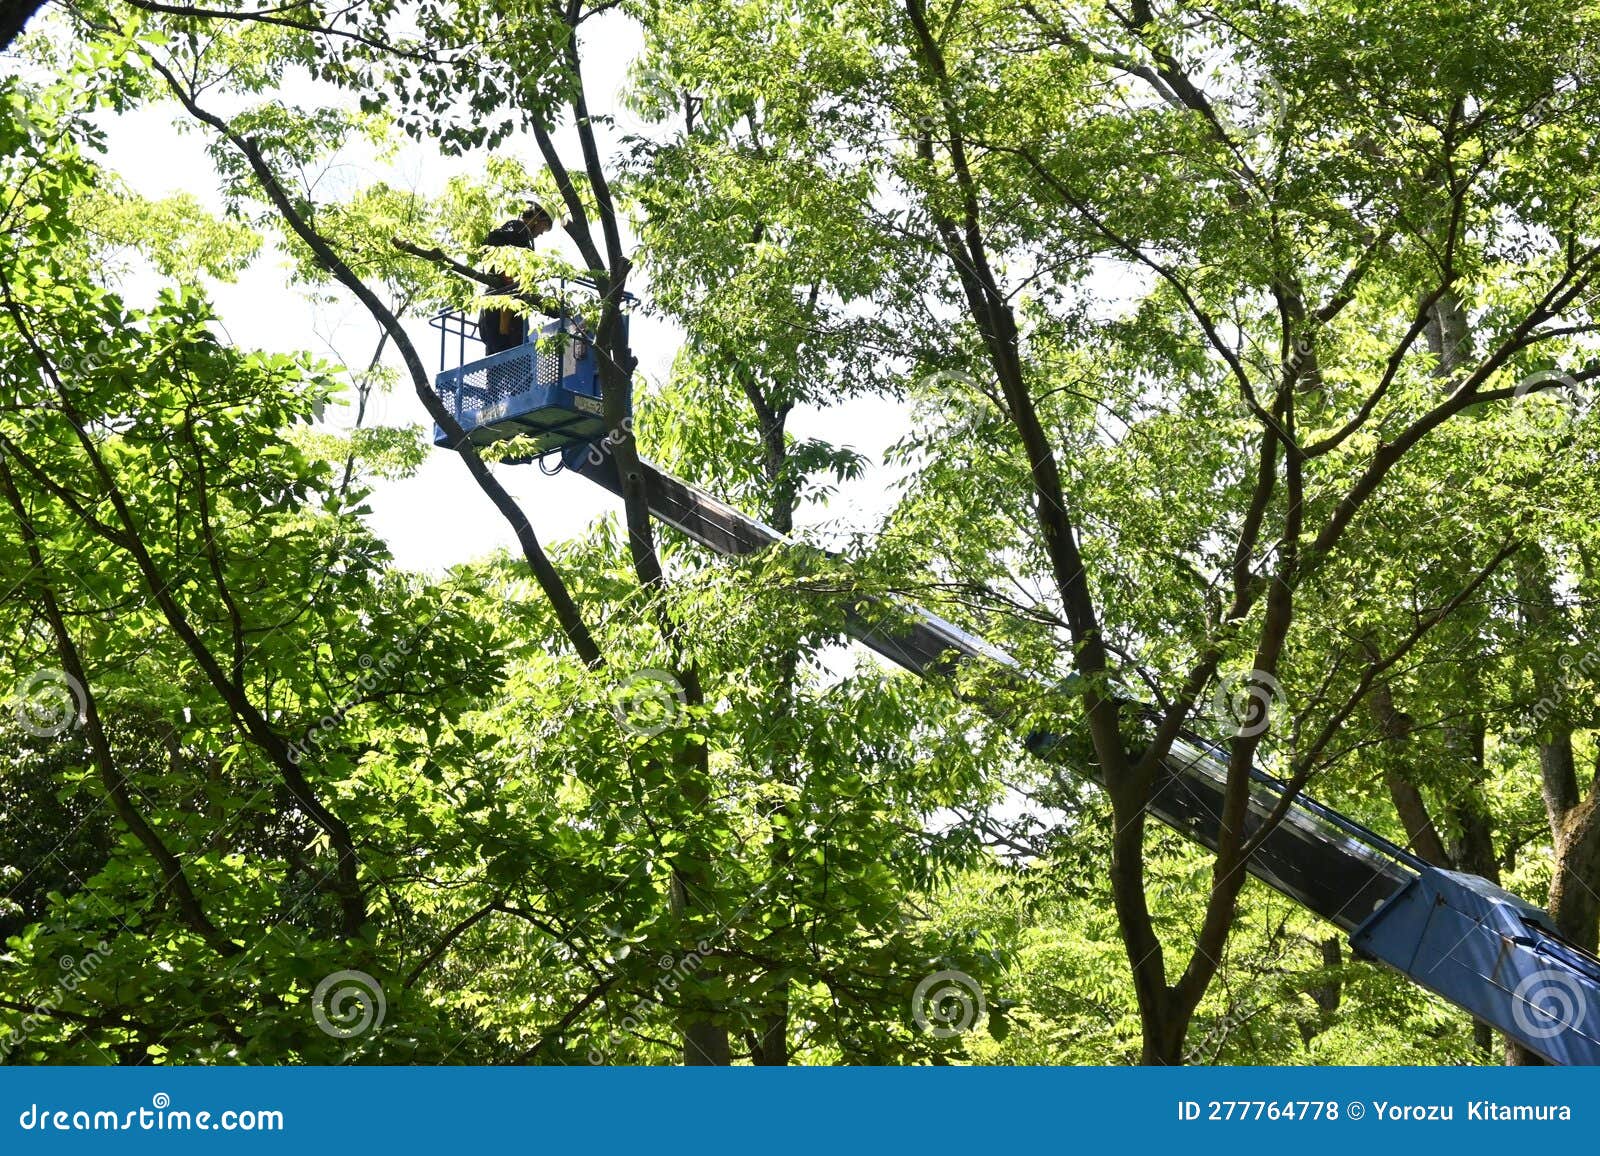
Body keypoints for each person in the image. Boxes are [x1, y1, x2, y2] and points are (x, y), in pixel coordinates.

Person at [478, 204, 554, 355]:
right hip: (502, 304)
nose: (541, 234)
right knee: (515, 356)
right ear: (536, 219)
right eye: (544, 227)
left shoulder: (522, 236)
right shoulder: (518, 228)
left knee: (502, 356)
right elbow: (493, 239)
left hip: (500, 305)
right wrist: (505, 274)